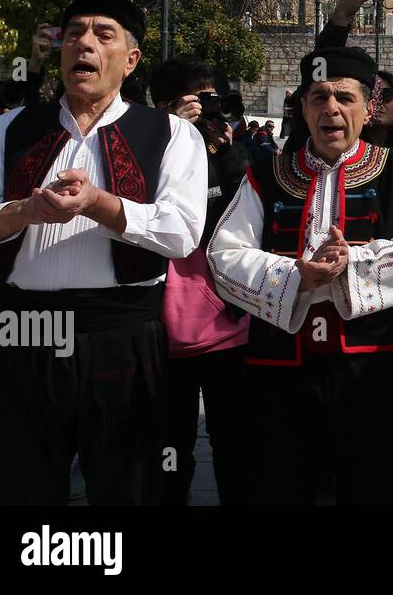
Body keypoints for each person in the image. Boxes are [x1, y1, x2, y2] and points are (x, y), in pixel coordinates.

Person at [0, 0, 208, 505]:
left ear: (131, 59)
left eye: (104, 35)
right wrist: (25, 212)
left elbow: (182, 231)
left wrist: (100, 203)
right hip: (23, 328)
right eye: (75, 33)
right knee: (21, 481)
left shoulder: (170, 134)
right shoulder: (10, 128)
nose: (85, 44)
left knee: (131, 483)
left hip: (120, 329)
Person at [208, 46, 393, 504]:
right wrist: (295, 276)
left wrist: (351, 265)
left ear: (366, 108)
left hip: (376, 369)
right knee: (282, 486)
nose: (331, 108)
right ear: (301, 108)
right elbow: (222, 255)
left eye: (344, 97)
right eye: (318, 97)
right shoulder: (268, 172)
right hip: (281, 372)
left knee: (383, 487)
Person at [148, 58, 252, 506]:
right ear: (163, 105)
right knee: (167, 450)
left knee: (235, 445)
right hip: (157, 331)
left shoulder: (230, 154)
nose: (209, 112)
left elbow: (248, 218)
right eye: (198, 102)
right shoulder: (143, 145)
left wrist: (227, 155)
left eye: (215, 101)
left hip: (226, 328)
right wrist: (166, 138)